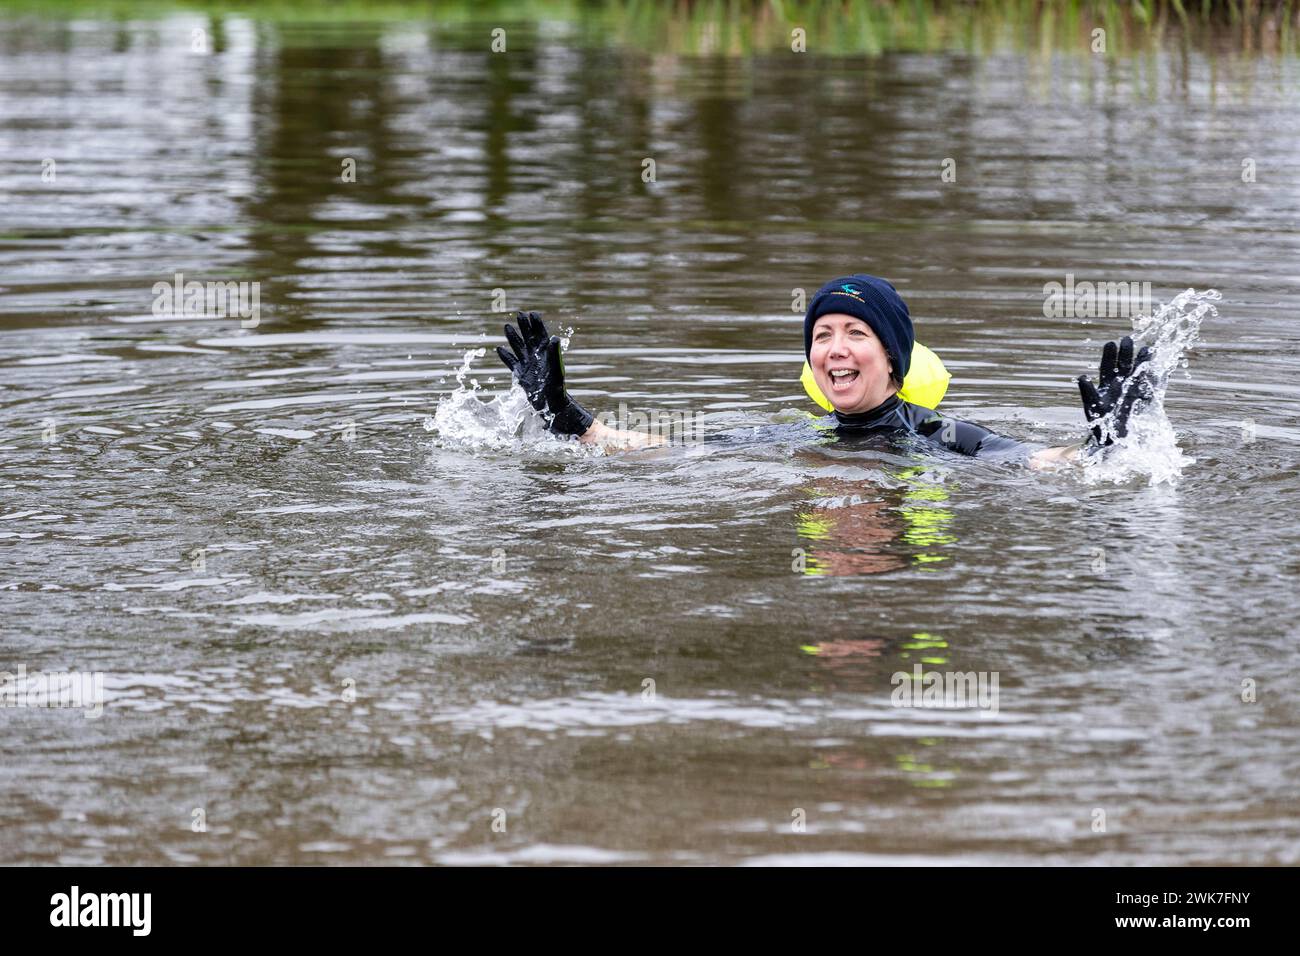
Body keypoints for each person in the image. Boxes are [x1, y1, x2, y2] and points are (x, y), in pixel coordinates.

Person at [493, 273, 1155, 467]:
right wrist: (565, 417)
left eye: (856, 333)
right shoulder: (794, 440)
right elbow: (667, 449)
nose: (835, 347)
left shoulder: (944, 439)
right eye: (823, 334)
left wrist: (1105, 444)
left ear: (892, 360)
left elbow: (1034, 463)